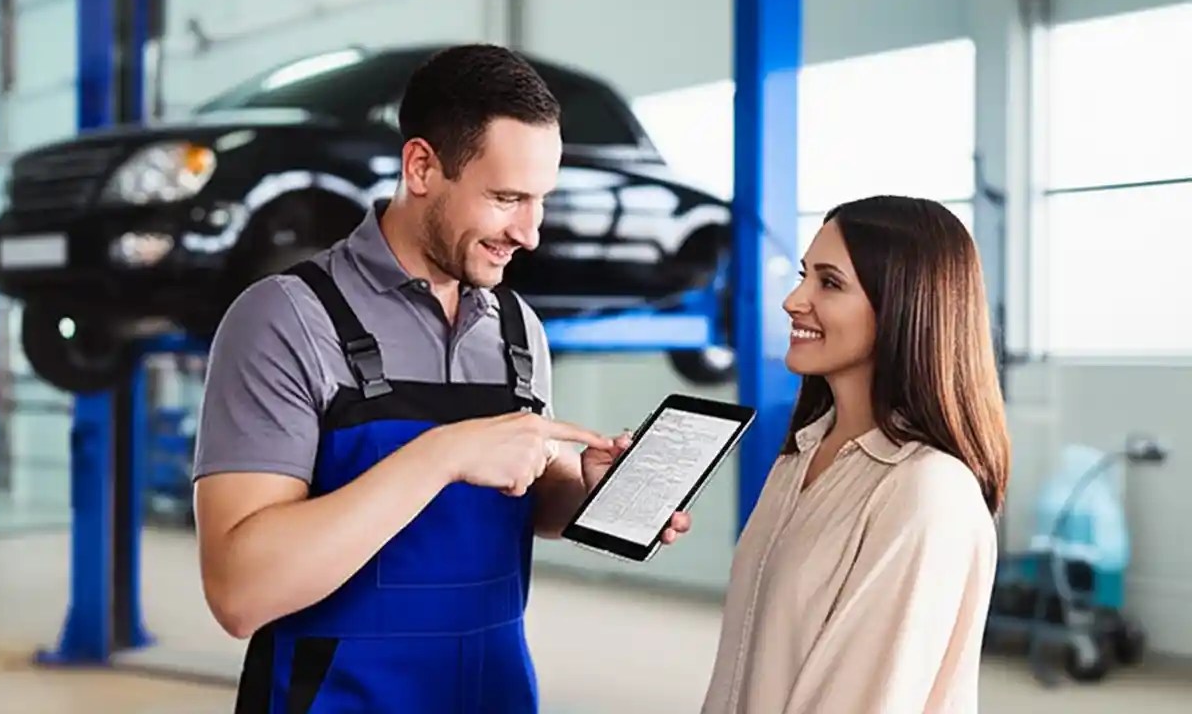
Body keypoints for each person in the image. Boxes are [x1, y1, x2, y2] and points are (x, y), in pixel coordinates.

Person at [190, 43, 690, 713]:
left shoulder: (518, 327)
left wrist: (584, 492)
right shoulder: (285, 320)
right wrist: (442, 455)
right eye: (507, 198)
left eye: (540, 200)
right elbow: (240, 591)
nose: (530, 233)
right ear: (421, 166)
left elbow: (512, 497)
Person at [701, 195, 1009, 714]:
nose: (793, 300)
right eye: (804, 276)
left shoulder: (926, 491)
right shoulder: (801, 454)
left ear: (902, 306)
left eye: (829, 283)